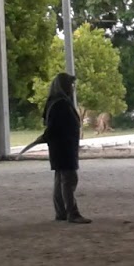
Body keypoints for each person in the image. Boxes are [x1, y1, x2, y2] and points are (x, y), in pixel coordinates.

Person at [44, 73, 89, 224]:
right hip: (63, 148)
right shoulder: (60, 104)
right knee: (68, 179)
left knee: (61, 179)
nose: (72, 88)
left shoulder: (56, 102)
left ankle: (61, 212)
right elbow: (55, 127)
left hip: (62, 147)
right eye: (69, 85)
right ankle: (72, 213)